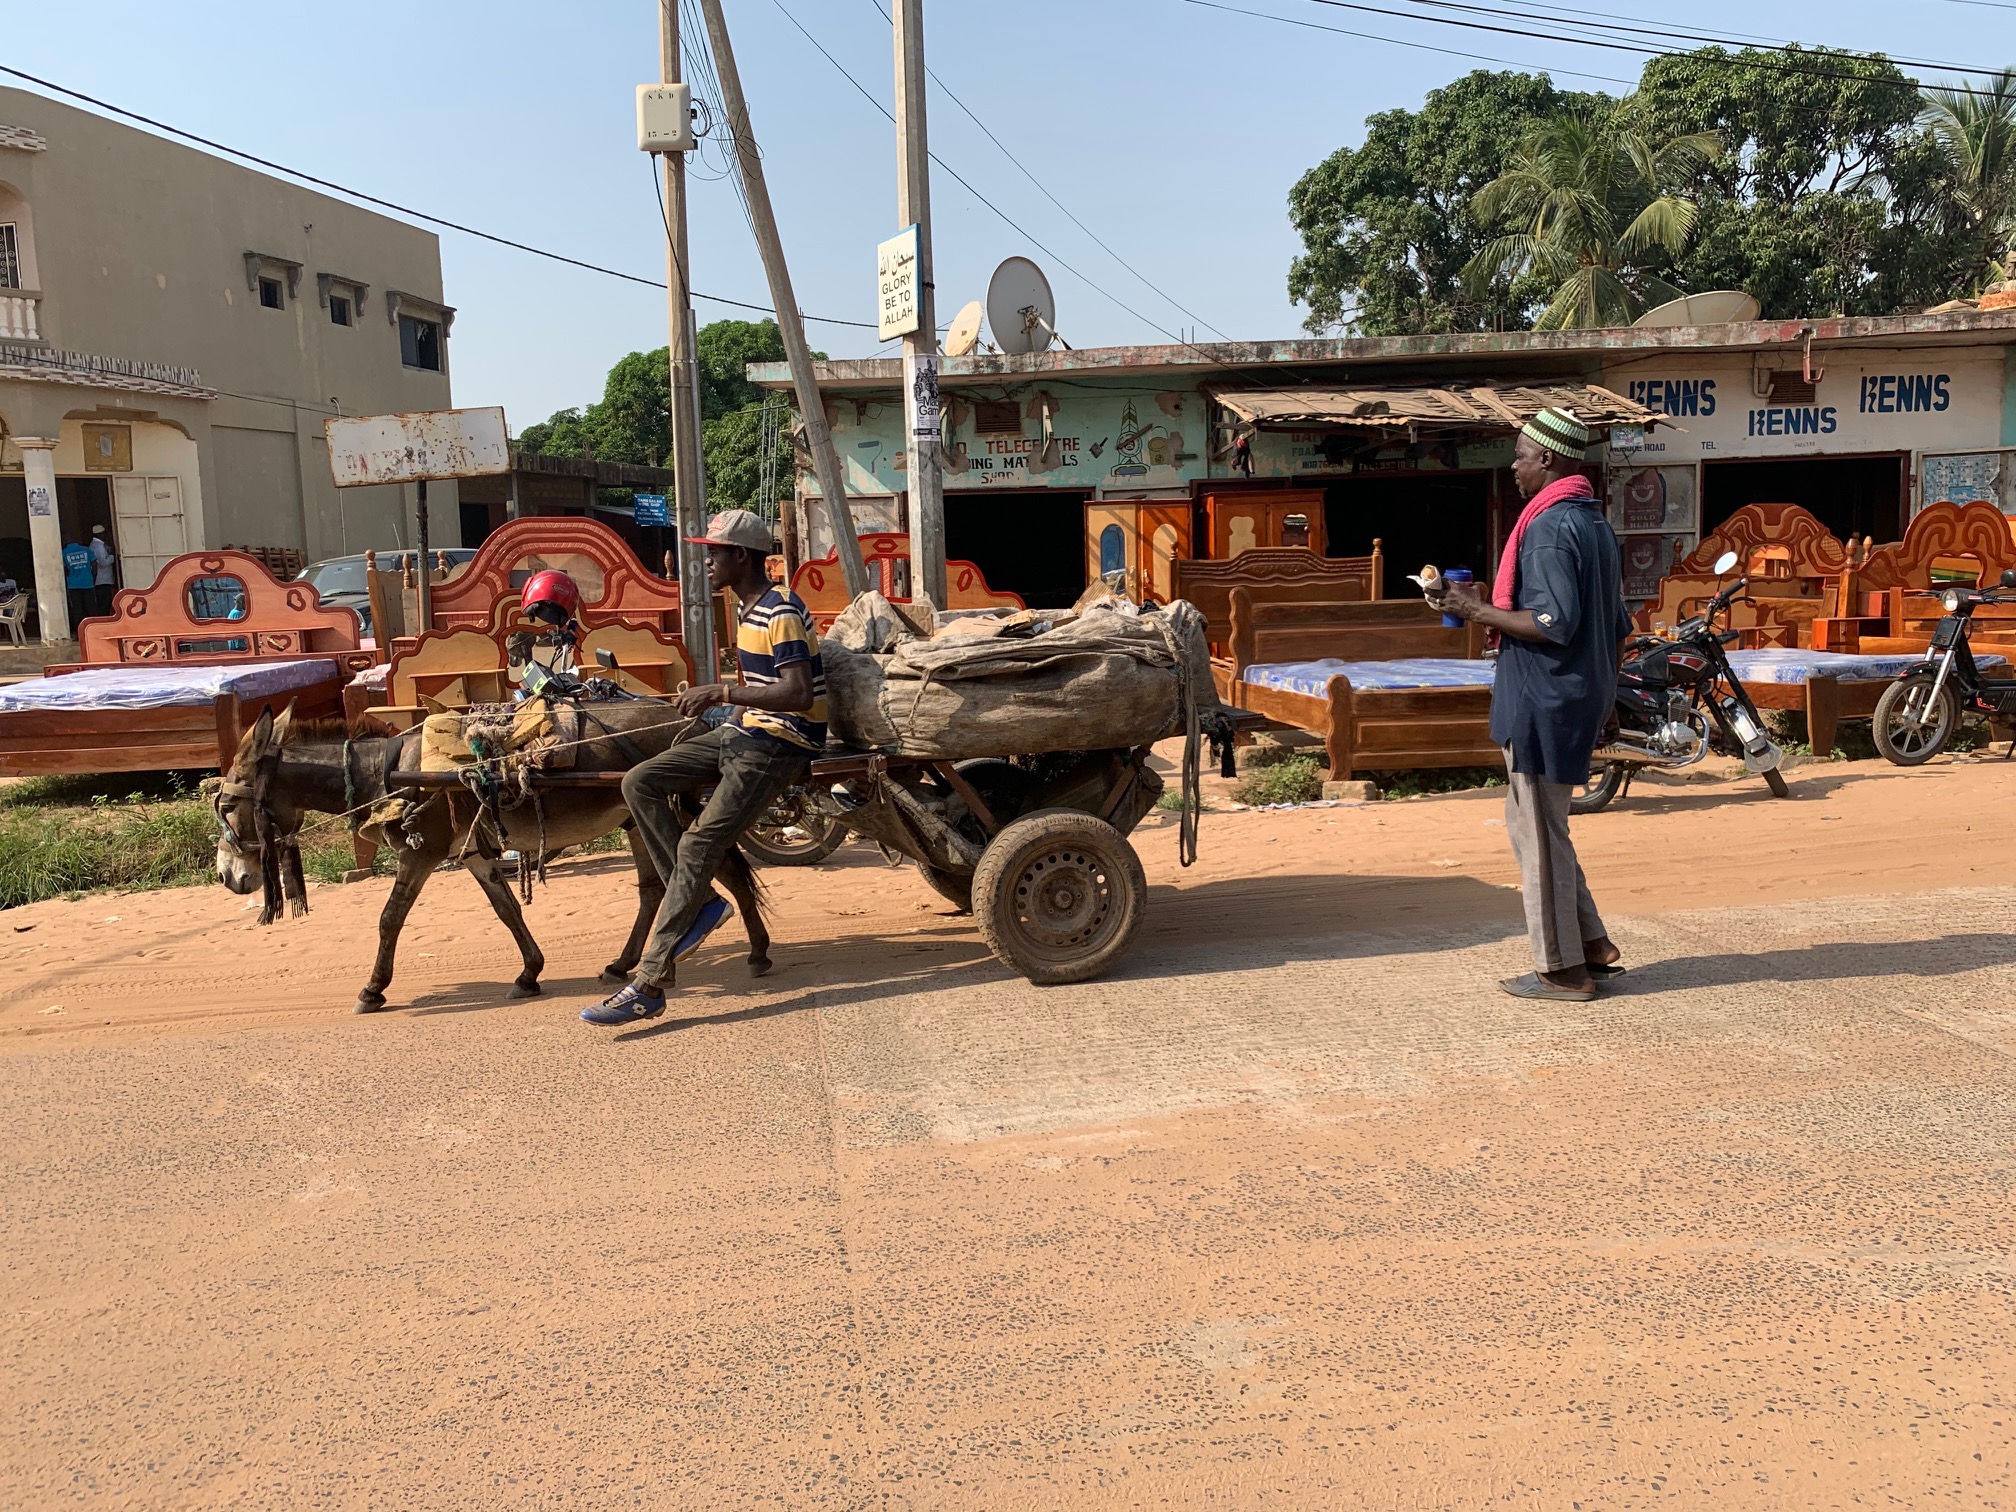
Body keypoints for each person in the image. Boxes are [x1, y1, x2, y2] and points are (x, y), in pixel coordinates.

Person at [582, 508, 825, 1026]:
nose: (705, 563)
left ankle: (649, 982)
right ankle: (699, 904)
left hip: (781, 742)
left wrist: (723, 691)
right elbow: (759, 690)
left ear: (741, 555)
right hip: (745, 731)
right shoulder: (747, 608)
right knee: (639, 781)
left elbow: (800, 694)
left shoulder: (779, 609)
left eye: (712, 553)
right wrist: (719, 708)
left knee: (698, 842)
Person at [1432, 408, 1631, 1002]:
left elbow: (1552, 622)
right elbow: (1616, 625)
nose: (1514, 466)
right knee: (1544, 826)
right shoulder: (1593, 522)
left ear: (1548, 460)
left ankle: (1561, 968)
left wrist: (1473, 610)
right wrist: (1608, 696)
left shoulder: (1547, 527)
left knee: (1536, 835)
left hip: (1545, 696)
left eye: (1520, 455)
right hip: (1577, 694)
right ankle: (1591, 943)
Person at [62, 537, 93, 630]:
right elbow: (94, 564)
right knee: (91, 607)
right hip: (88, 583)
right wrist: (92, 578)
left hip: (73, 585)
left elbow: (63, 570)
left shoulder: (64, 553)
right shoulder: (86, 550)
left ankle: (80, 631)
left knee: (77, 609)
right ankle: (93, 630)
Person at [88, 524, 116, 615]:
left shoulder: (94, 545)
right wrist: (112, 556)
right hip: (103, 579)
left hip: (101, 580)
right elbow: (103, 562)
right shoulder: (98, 547)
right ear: (99, 534)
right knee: (104, 603)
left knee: (102, 603)